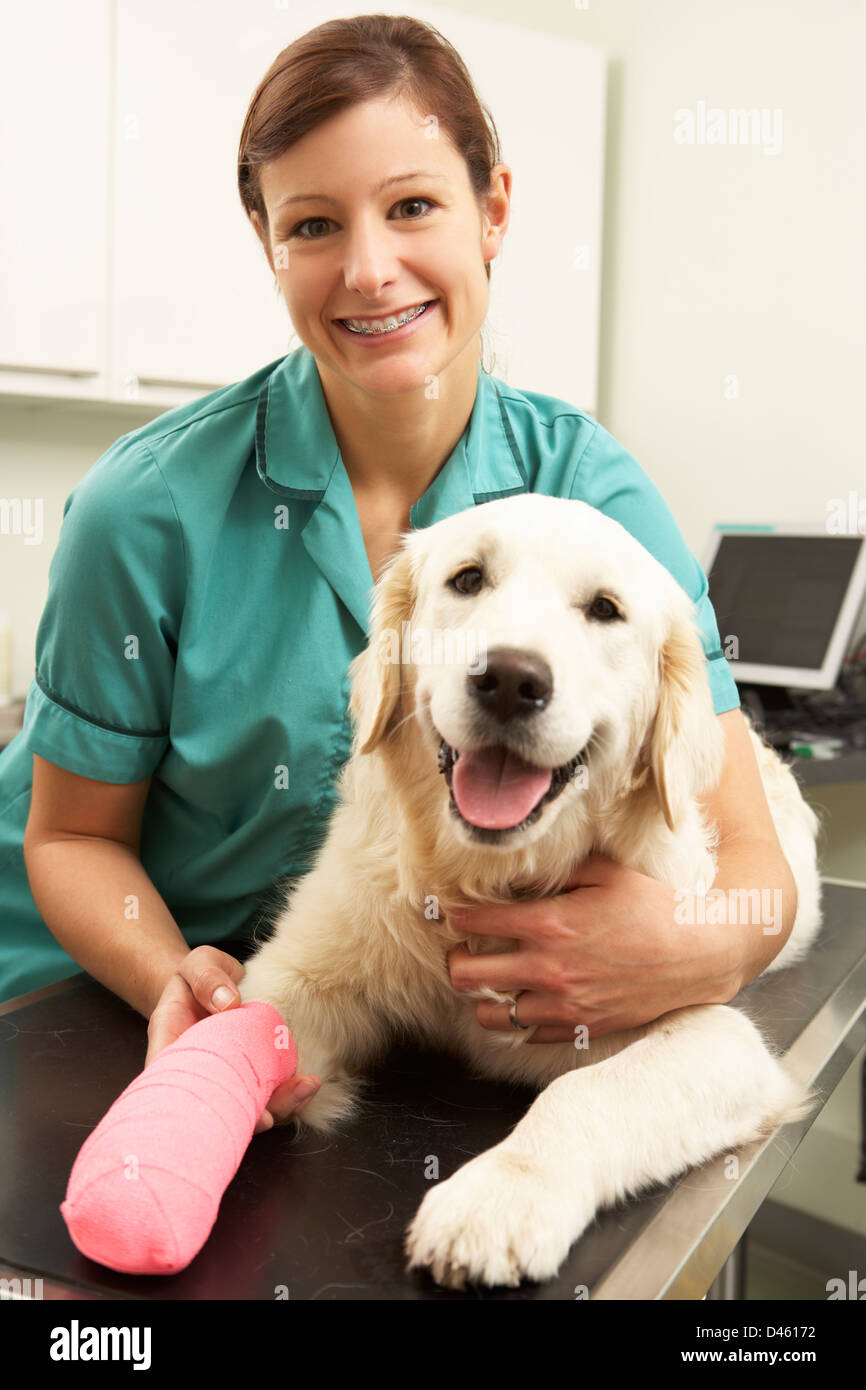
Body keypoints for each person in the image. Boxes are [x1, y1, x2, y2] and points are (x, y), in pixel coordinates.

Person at [0, 14, 797, 1132]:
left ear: (494, 212)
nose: (369, 272)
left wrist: (681, 948)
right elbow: (74, 835)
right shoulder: (146, 508)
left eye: (412, 205)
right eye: (313, 224)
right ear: (269, 244)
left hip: (371, 1019)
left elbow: (749, 854)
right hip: (77, 1011)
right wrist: (170, 971)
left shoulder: (592, 497)